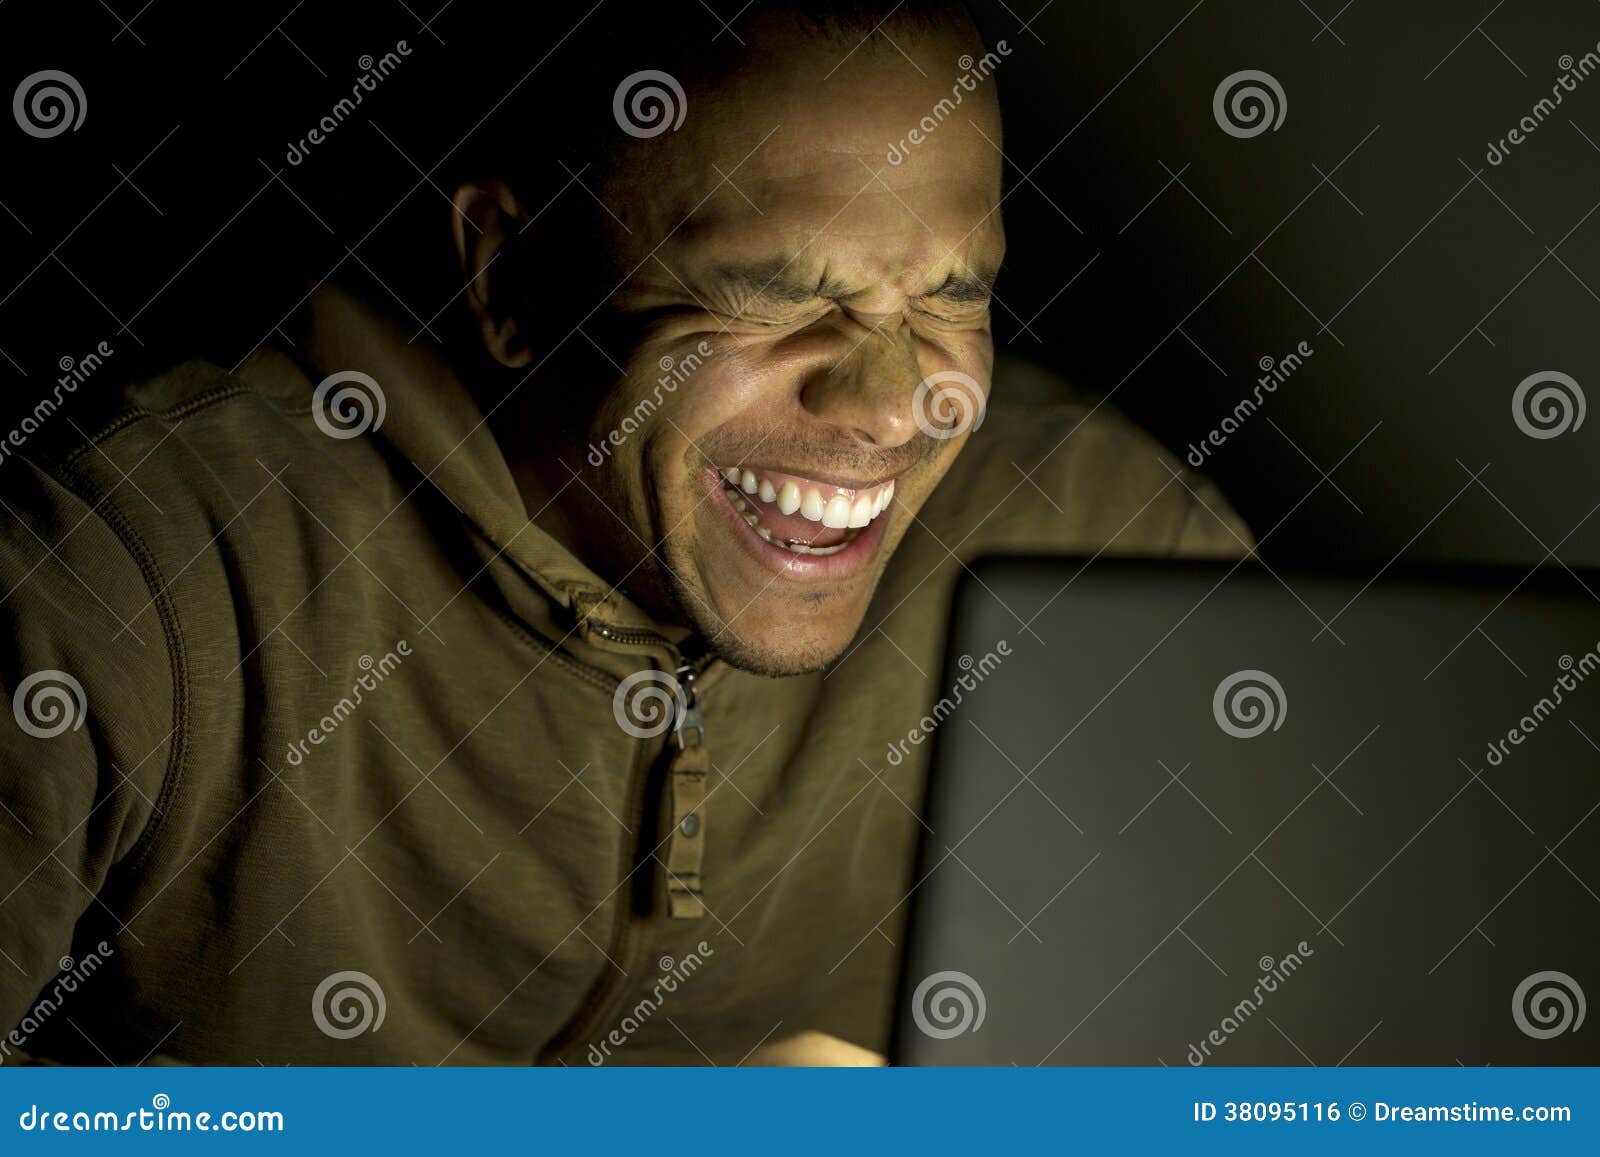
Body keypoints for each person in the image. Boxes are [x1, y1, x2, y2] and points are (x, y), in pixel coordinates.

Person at [0, 1, 1247, 1065]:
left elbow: (1387, 1093)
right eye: (775, 297)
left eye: (950, 296)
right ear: (511, 278)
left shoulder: (1104, 541)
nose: (892, 402)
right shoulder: (128, 571)